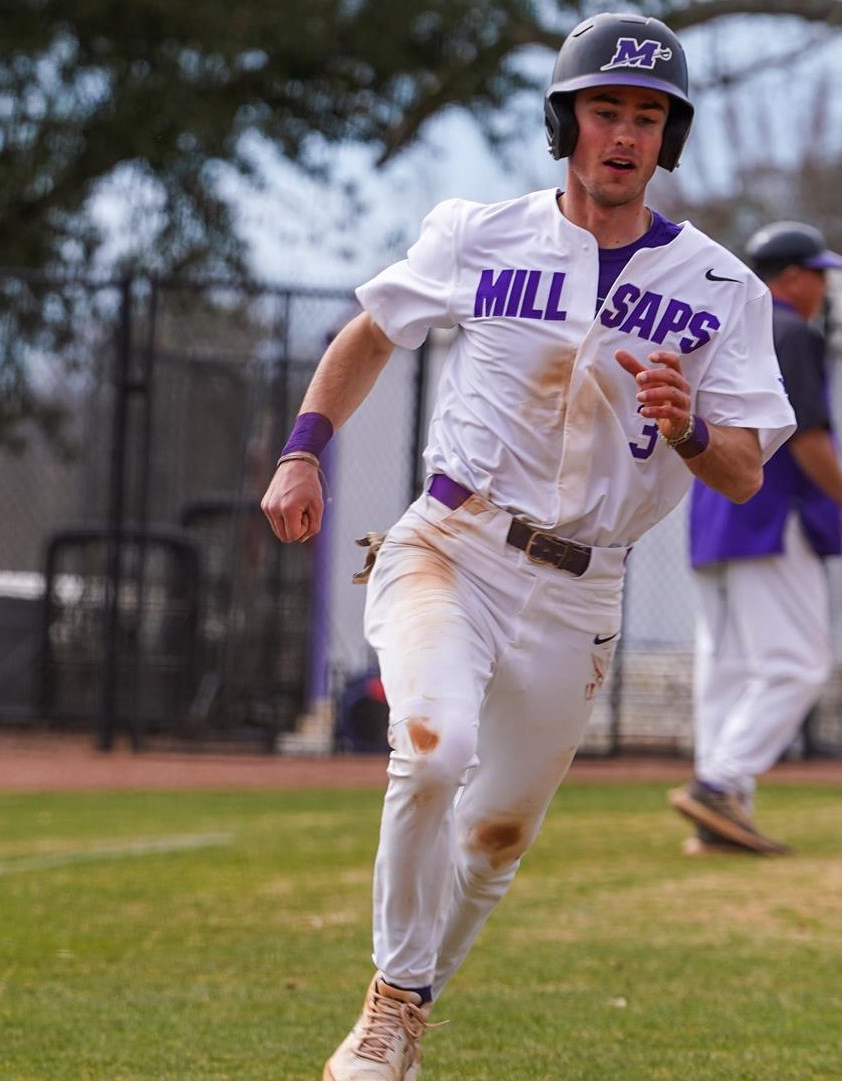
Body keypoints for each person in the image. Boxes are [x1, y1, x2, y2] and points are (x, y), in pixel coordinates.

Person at [258, 14, 795, 1079]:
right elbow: (370, 330)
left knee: (495, 838)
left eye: (647, 117)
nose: (624, 135)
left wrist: (686, 422)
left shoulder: (722, 287)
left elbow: (742, 467)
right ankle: (387, 1017)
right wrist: (301, 451)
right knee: (431, 746)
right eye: (605, 110)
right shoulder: (477, 232)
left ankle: (401, 1003)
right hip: (451, 540)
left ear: (667, 139)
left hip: (581, 585)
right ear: (566, 121)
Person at [676, 222, 842, 856]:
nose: (822, 286)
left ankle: (721, 813)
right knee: (796, 664)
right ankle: (721, 784)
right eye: (818, 274)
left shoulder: (727, 325)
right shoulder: (789, 328)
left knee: (728, 669)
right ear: (790, 277)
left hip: (713, 514)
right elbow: (810, 439)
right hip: (771, 514)